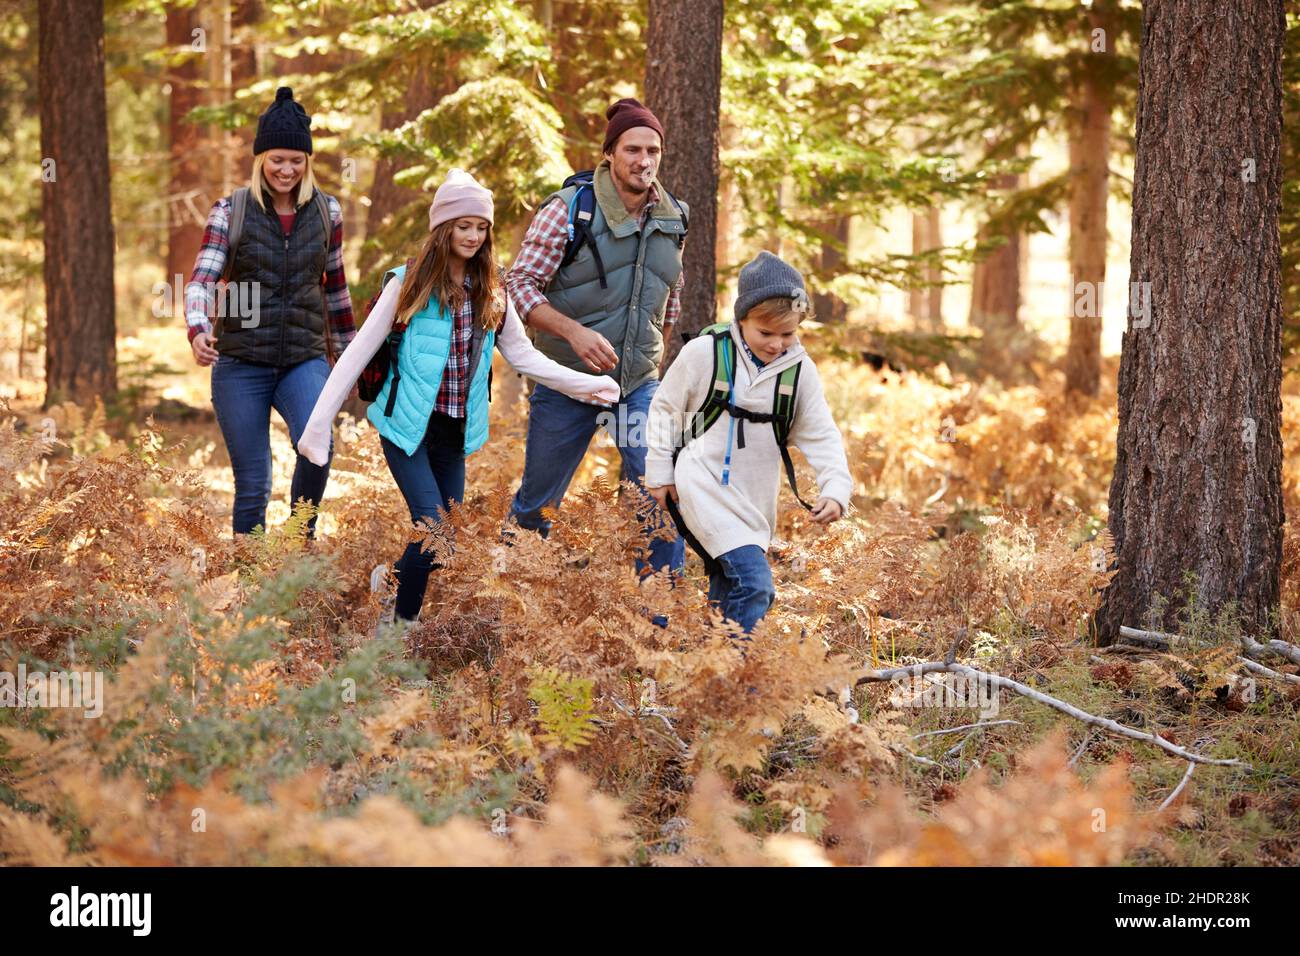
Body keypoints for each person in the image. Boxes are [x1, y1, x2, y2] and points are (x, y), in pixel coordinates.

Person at [298, 169, 619, 625]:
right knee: (433, 530)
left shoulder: (493, 289)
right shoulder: (407, 283)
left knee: (448, 544)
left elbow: (524, 358)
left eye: (481, 227)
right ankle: (399, 635)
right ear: (443, 228)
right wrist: (317, 427)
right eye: (463, 225)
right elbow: (356, 355)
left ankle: (388, 582)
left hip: (453, 432)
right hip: (406, 429)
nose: (472, 236)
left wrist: (587, 385)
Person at [505, 97, 687, 576]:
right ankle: (508, 598)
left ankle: (662, 613)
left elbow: (671, 293)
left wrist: (654, 356)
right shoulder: (569, 211)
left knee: (658, 484)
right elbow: (518, 286)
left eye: (653, 150)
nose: (643, 160)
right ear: (609, 153)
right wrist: (574, 333)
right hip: (568, 382)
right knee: (537, 503)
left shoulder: (674, 218)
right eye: (632, 149)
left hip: (638, 387)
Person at [645, 251, 853, 634]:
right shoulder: (705, 354)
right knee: (755, 586)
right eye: (766, 333)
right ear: (742, 320)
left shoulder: (800, 372)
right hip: (703, 485)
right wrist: (659, 472)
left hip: (754, 501)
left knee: (727, 590)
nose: (777, 344)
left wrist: (836, 489)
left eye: (788, 334)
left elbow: (821, 433)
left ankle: (714, 678)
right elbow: (664, 411)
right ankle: (739, 683)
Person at [185, 86, 355, 538]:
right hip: (240, 364)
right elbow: (203, 280)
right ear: (261, 160)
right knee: (254, 483)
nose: (287, 169)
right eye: (277, 159)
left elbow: (335, 289)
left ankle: (299, 549)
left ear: (307, 163)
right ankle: (248, 584)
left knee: (316, 447)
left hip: (303, 359)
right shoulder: (230, 211)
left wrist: (351, 356)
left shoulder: (327, 212)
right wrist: (199, 329)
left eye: (296, 160)